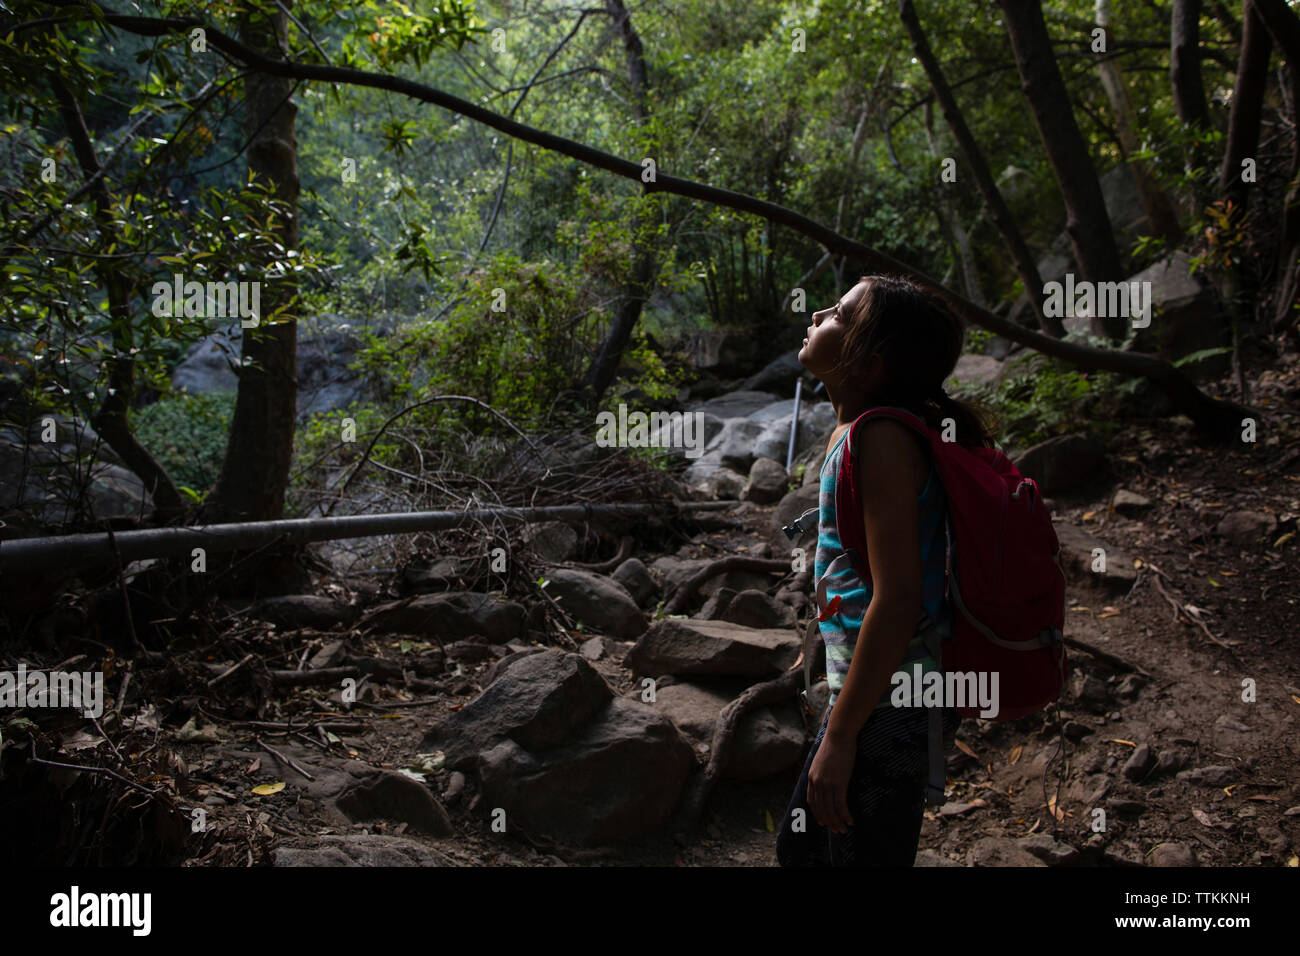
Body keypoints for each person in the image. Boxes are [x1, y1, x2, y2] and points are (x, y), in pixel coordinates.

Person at [775, 273, 997, 867]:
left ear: (867, 363)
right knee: (803, 848)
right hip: (875, 689)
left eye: (839, 315)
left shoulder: (881, 440)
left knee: (852, 853)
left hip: (897, 698)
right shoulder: (856, 429)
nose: (819, 312)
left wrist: (842, 735)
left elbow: (898, 598)